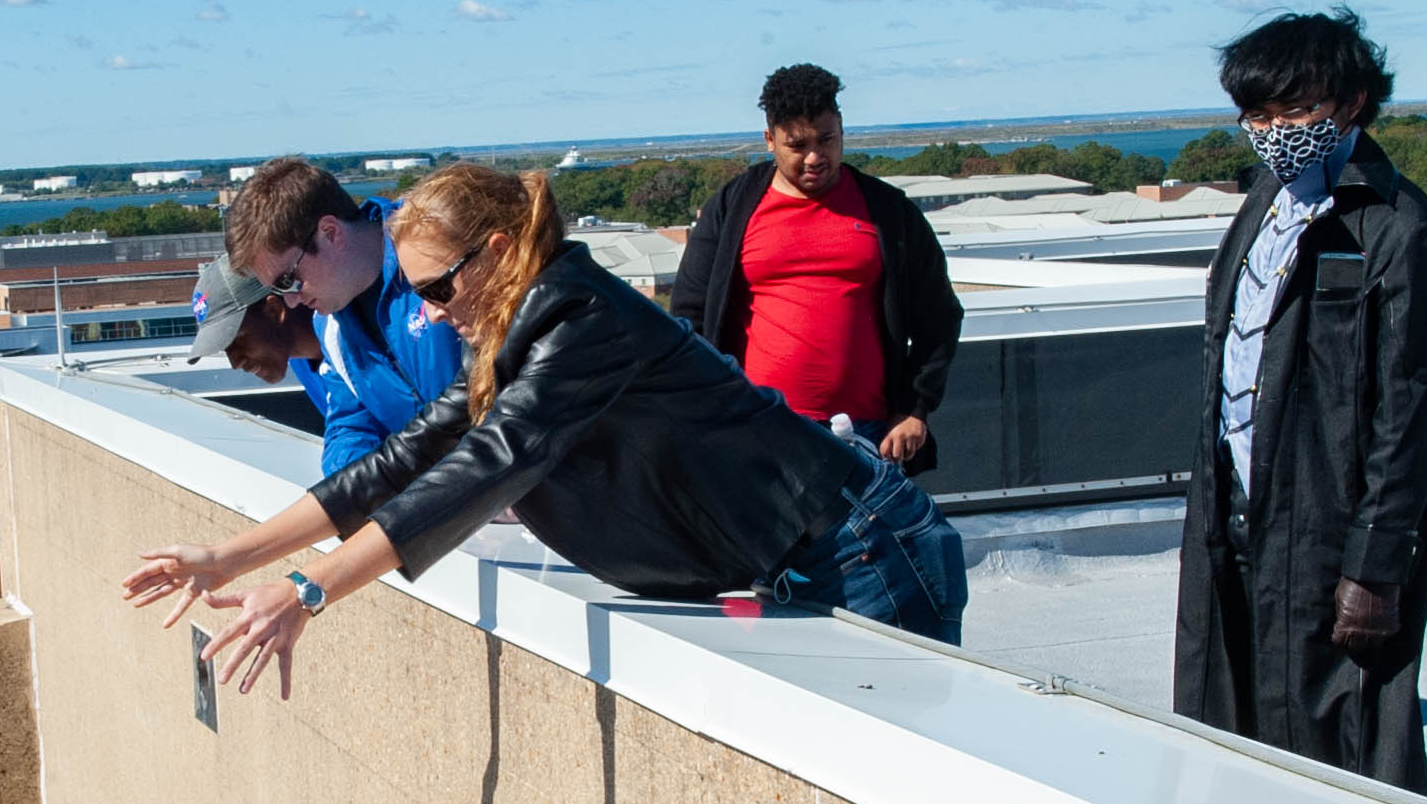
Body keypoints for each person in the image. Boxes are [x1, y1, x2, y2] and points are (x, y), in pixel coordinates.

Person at [125, 163, 967, 698]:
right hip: (788, 556)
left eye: (437, 289)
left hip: (860, 545)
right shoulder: (512, 333)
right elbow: (405, 458)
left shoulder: (581, 318)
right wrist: (228, 557)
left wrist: (309, 590)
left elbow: (492, 463)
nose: (428, 312)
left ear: (496, 254)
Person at [1173, 8, 1427, 793]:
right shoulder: (1262, 203)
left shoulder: (1400, 232)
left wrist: (1374, 567)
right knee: (1224, 721)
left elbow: (1407, 417)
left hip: (1326, 529)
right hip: (1233, 512)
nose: (1274, 132)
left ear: (1352, 101)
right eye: (1257, 115)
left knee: (1334, 744)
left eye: (1295, 111)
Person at [670, 63, 962, 473]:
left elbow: (938, 315)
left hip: (870, 437)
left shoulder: (888, 211)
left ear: (842, 129)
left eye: (827, 140)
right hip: (758, 432)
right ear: (769, 140)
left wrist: (915, 408)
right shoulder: (732, 208)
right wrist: (709, 414)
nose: (814, 157)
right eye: (797, 144)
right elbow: (690, 318)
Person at [223, 157, 463, 474]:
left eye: (288, 279)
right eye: (279, 289)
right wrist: (342, 493)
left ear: (330, 232)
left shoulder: (444, 254)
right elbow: (352, 425)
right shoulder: (330, 328)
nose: (291, 301)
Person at [187, 254, 329, 412]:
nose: (235, 363)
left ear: (274, 310)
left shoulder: (348, 334)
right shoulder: (301, 363)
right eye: (225, 348)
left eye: (237, 339)